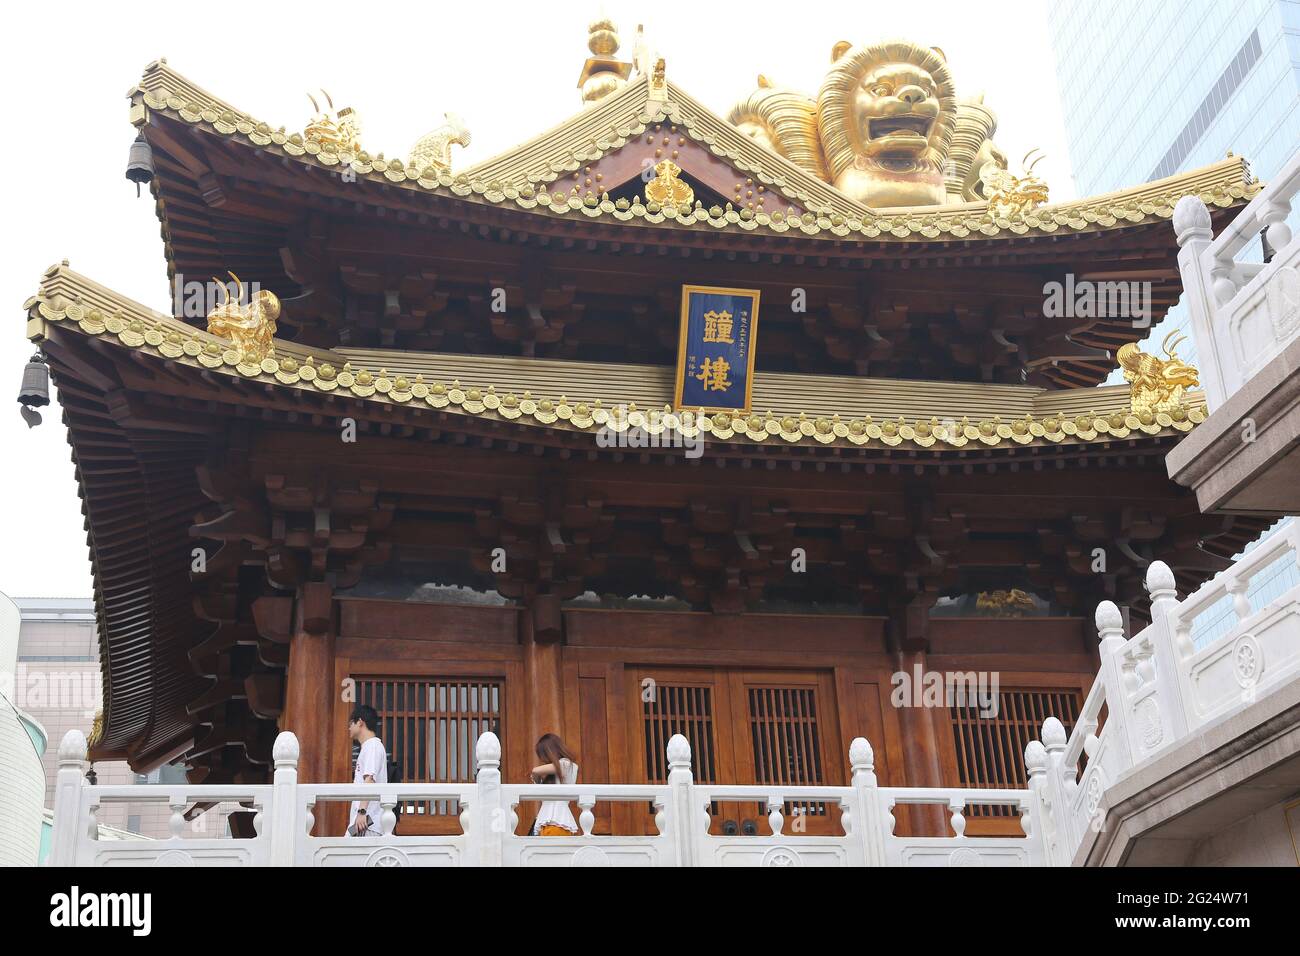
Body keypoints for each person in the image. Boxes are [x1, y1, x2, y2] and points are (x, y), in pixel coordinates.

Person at [346, 704, 388, 836]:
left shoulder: (372, 746)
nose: (349, 727)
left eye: (350, 723)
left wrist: (362, 812)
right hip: (362, 822)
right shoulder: (369, 747)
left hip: (367, 822)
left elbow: (369, 779)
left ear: (360, 722)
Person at [530, 733, 580, 836]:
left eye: (543, 755)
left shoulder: (567, 764)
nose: (542, 760)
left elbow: (535, 770)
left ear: (550, 752)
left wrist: (538, 774)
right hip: (547, 823)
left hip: (557, 822)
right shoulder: (552, 773)